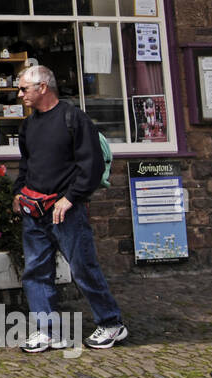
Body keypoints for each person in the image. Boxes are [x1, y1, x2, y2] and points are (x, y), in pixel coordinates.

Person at [12, 64, 128, 352]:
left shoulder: (73, 119)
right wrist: (18, 194)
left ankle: (112, 324)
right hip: (34, 211)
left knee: (83, 268)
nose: (19, 95)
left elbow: (92, 166)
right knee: (36, 272)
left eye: (24, 89)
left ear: (43, 87)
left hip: (67, 211)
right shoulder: (28, 125)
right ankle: (48, 331)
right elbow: (26, 165)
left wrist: (70, 198)